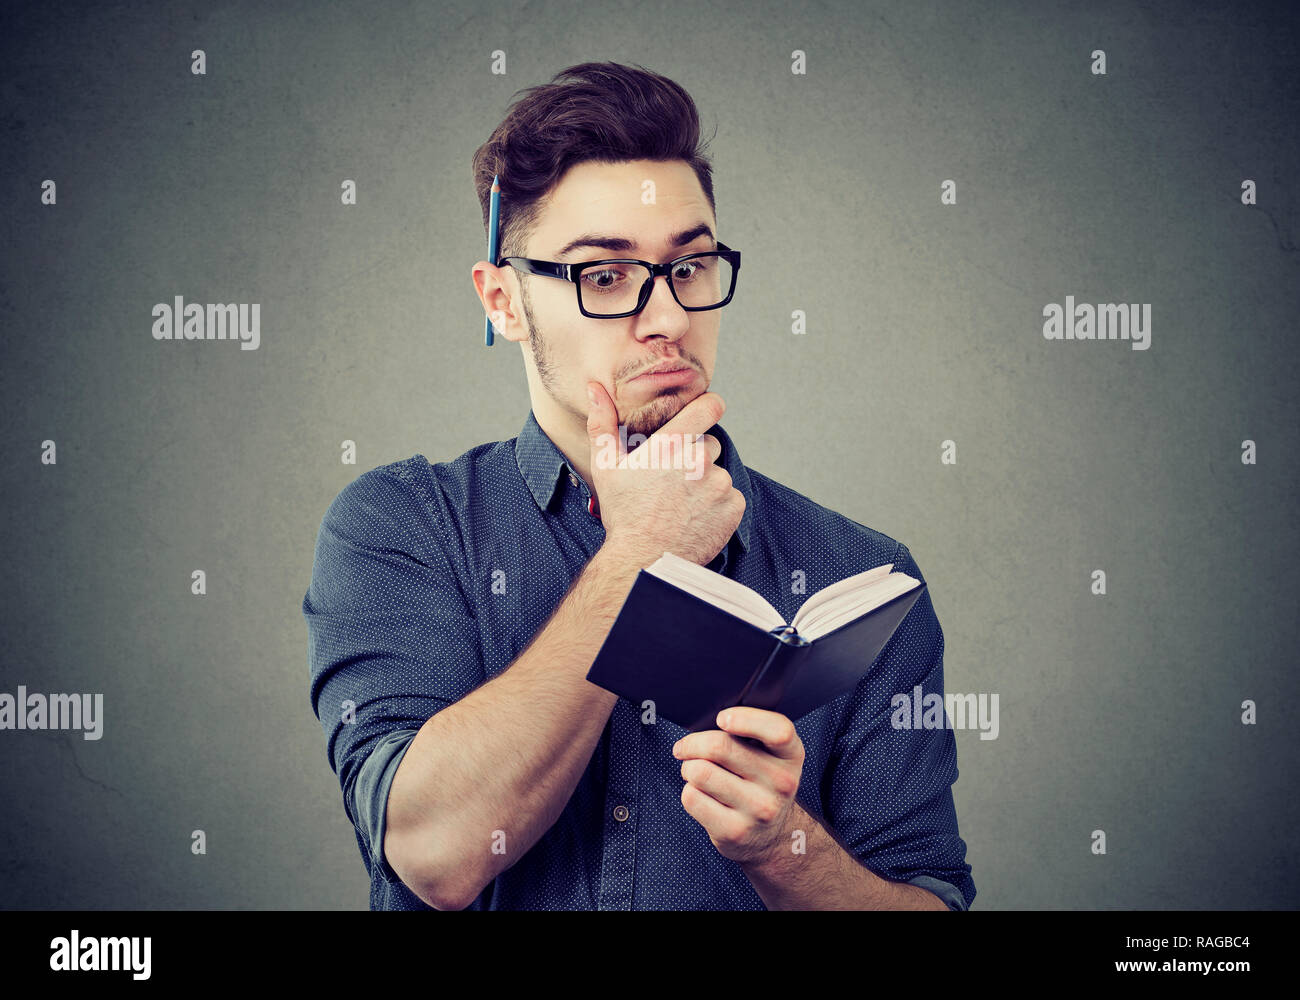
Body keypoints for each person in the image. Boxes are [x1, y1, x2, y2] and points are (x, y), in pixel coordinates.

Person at [303, 61, 975, 911]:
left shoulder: (861, 578)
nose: (668, 319)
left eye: (690, 266)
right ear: (503, 302)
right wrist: (638, 556)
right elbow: (434, 855)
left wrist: (782, 849)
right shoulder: (401, 526)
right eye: (605, 276)